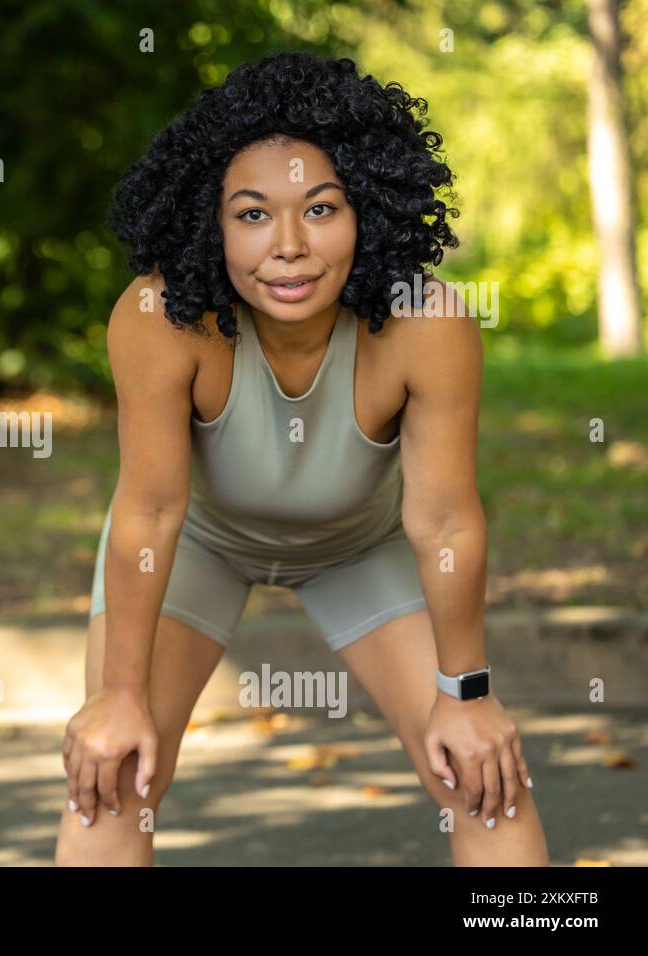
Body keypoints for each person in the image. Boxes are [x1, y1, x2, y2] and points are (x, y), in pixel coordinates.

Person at [55, 51, 549, 866]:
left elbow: (445, 517)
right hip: (198, 547)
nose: (287, 246)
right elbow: (149, 510)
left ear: (371, 211)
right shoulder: (158, 316)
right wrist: (118, 695)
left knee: (484, 778)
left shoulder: (426, 322)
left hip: (361, 546)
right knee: (113, 778)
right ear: (208, 223)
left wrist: (468, 694)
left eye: (321, 209)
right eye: (252, 215)